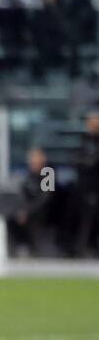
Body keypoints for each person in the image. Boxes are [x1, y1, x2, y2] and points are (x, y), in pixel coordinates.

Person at [74, 109, 99, 257]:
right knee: (86, 218)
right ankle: (83, 248)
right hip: (87, 186)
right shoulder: (83, 140)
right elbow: (79, 161)